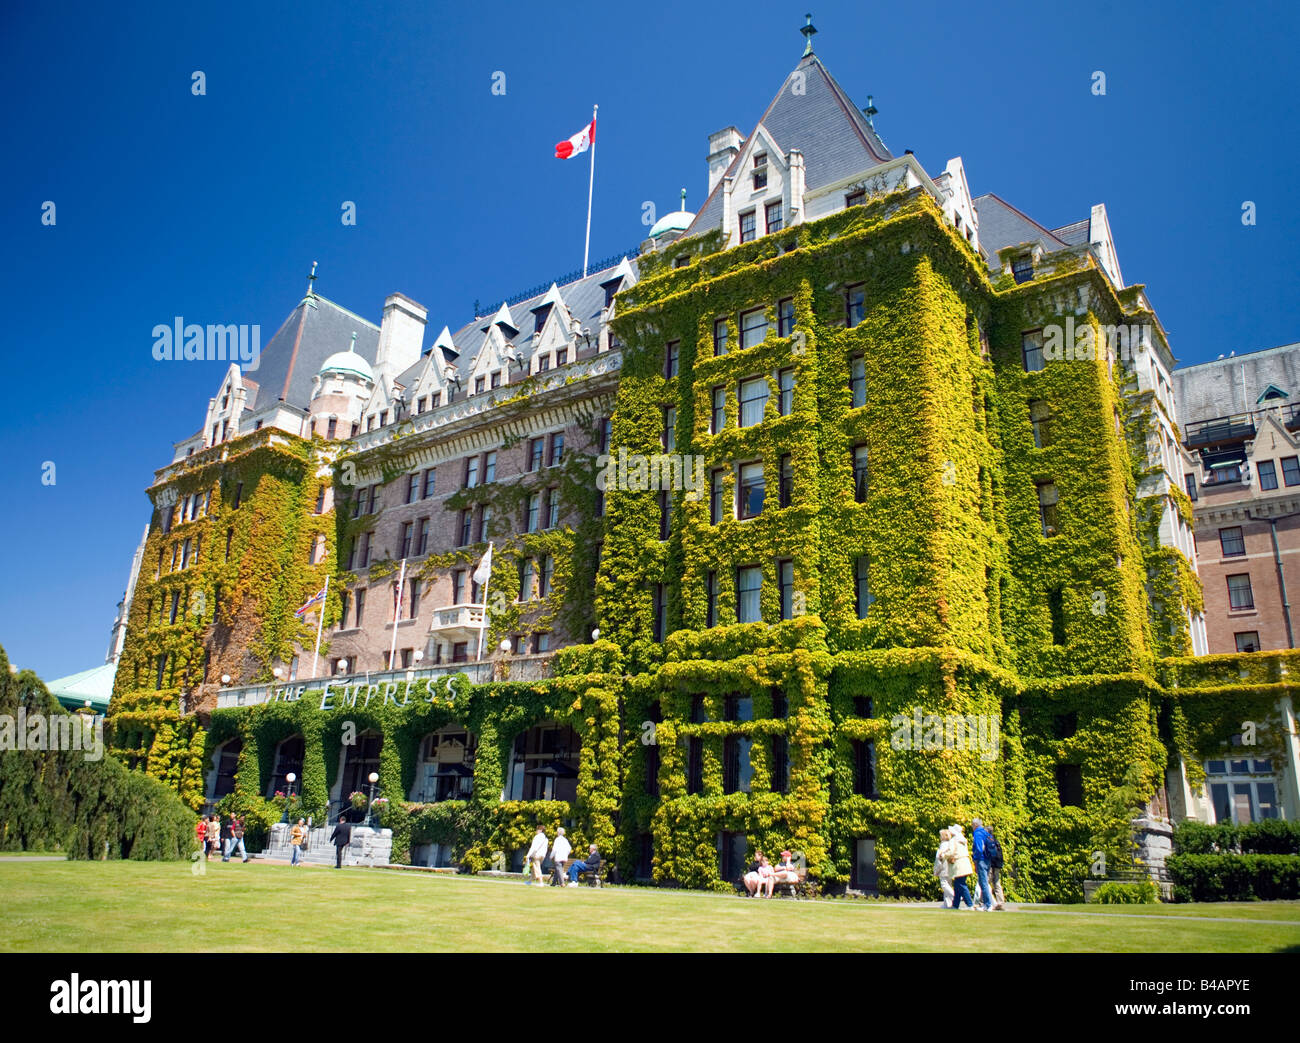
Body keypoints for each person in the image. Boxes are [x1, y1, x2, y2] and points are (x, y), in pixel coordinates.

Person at [945, 823, 974, 909]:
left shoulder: (953, 840)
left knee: (961, 884)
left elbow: (950, 852)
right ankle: (955, 904)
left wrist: (943, 856)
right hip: (964, 863)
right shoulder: (962, 839)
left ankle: (969, 904)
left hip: (958, 865)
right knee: (958, 885)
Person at [971, 817, 994, 911]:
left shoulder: (977, 833)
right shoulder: (985, 832)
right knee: (984, 882)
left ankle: (988, 905)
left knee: (983, 882)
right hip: (988, 859)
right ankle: (986, 903)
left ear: (975, 825)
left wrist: (975, 858)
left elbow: (979, 848)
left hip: (981, 860)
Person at [985, 826, 1006, 910]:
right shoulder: (996, 841)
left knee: (986, 882)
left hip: (990, 863)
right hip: (997, 863)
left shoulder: (988, 840)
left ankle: (984, 901)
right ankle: (1000, 901)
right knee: (997, 882)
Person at [934, 828, 954, 908]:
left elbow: (939, 858)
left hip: (943, 866)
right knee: (948, 883)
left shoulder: (943, 845)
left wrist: (937, 869)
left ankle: (954, 896)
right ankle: (947, 904)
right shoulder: (950, 844)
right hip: (949, 866)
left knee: (944, 884)